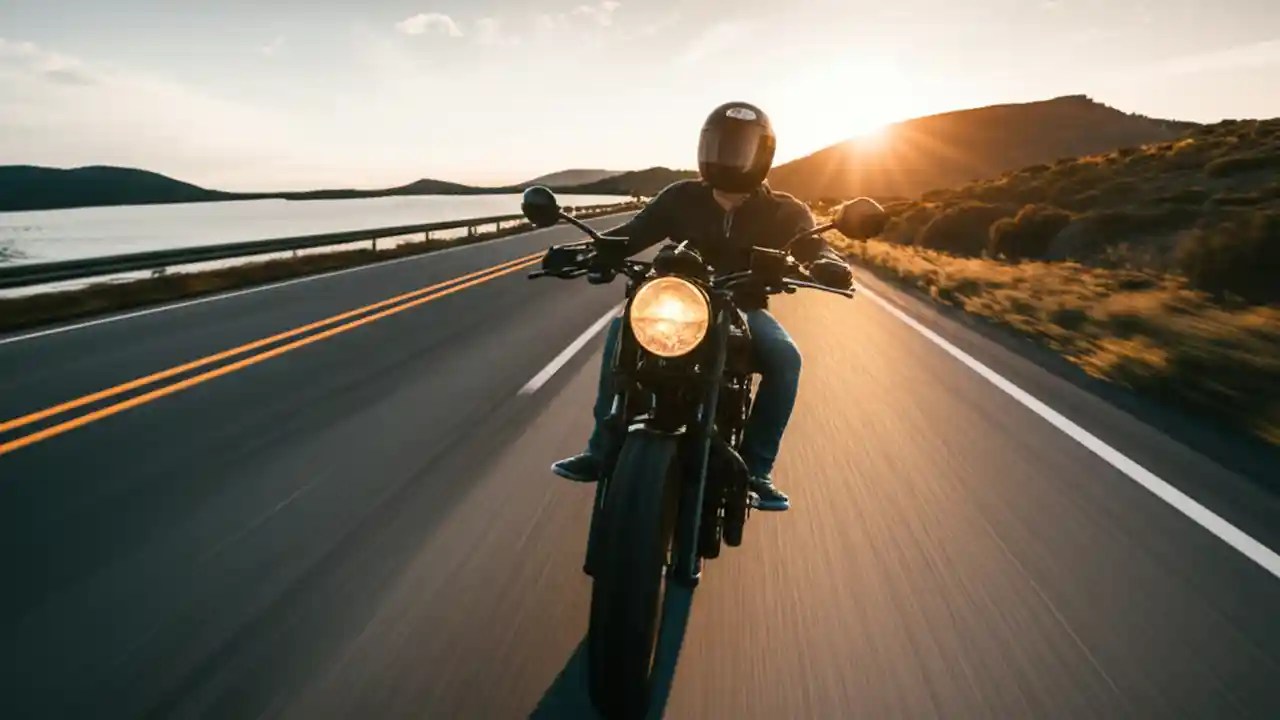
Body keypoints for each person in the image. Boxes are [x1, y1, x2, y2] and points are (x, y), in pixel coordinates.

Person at [550, 101, 853, 511]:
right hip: (674, 303)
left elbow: (813, 244)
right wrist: (585, 251)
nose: (728, 157)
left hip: (742, 308)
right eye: (720, 147)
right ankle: (602, 449)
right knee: (621, 329)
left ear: (761, 153)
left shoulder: (785, 210)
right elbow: (631, 234)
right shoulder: (680, 197)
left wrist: (829, 263)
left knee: (785, 358)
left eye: (739, 149)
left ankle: (756, 469)